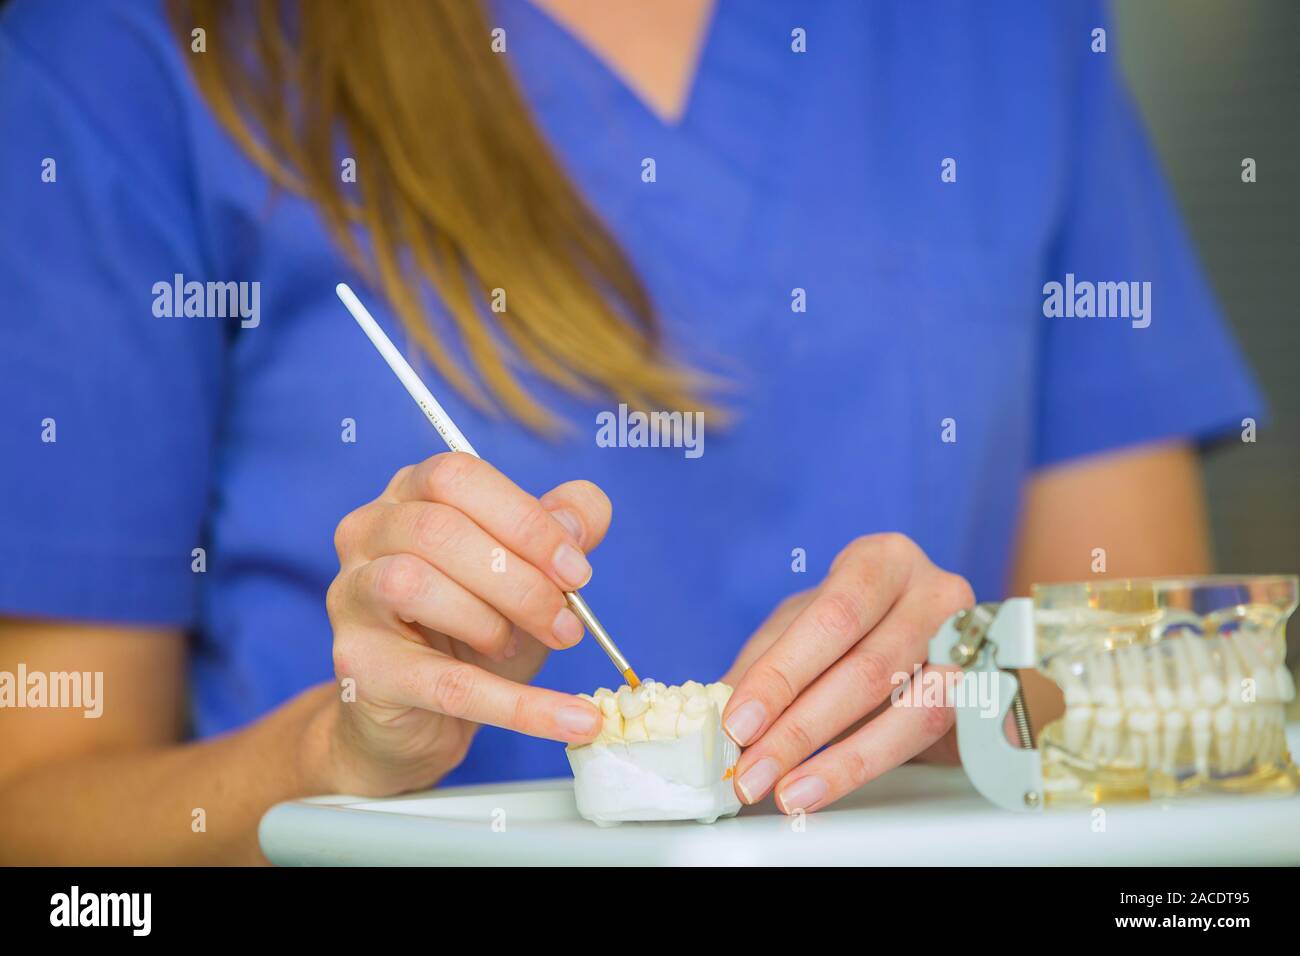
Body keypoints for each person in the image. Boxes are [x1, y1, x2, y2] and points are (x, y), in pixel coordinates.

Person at [0, 0, 1260, 863]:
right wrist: (330, 755)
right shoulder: (140, 52)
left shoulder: (1001, 34)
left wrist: (978, 695)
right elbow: (33, 817)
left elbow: (1175, 706)